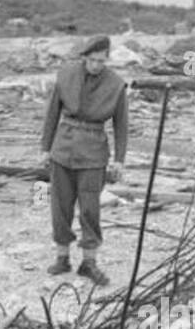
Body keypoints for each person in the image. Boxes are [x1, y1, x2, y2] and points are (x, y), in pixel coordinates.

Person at [39, 34, 129, 285]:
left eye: (101, 61)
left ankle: (89, 262)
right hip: (63, 149)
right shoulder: (66, 74)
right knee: (60, 206)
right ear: (84, 57)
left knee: (90, 210)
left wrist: (120, 160)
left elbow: (121, 125)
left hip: (94, 153)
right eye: (92, 60)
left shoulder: (115, 84)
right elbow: (52, 112)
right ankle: (62, 257)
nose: (96, 65)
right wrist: (45, 147)